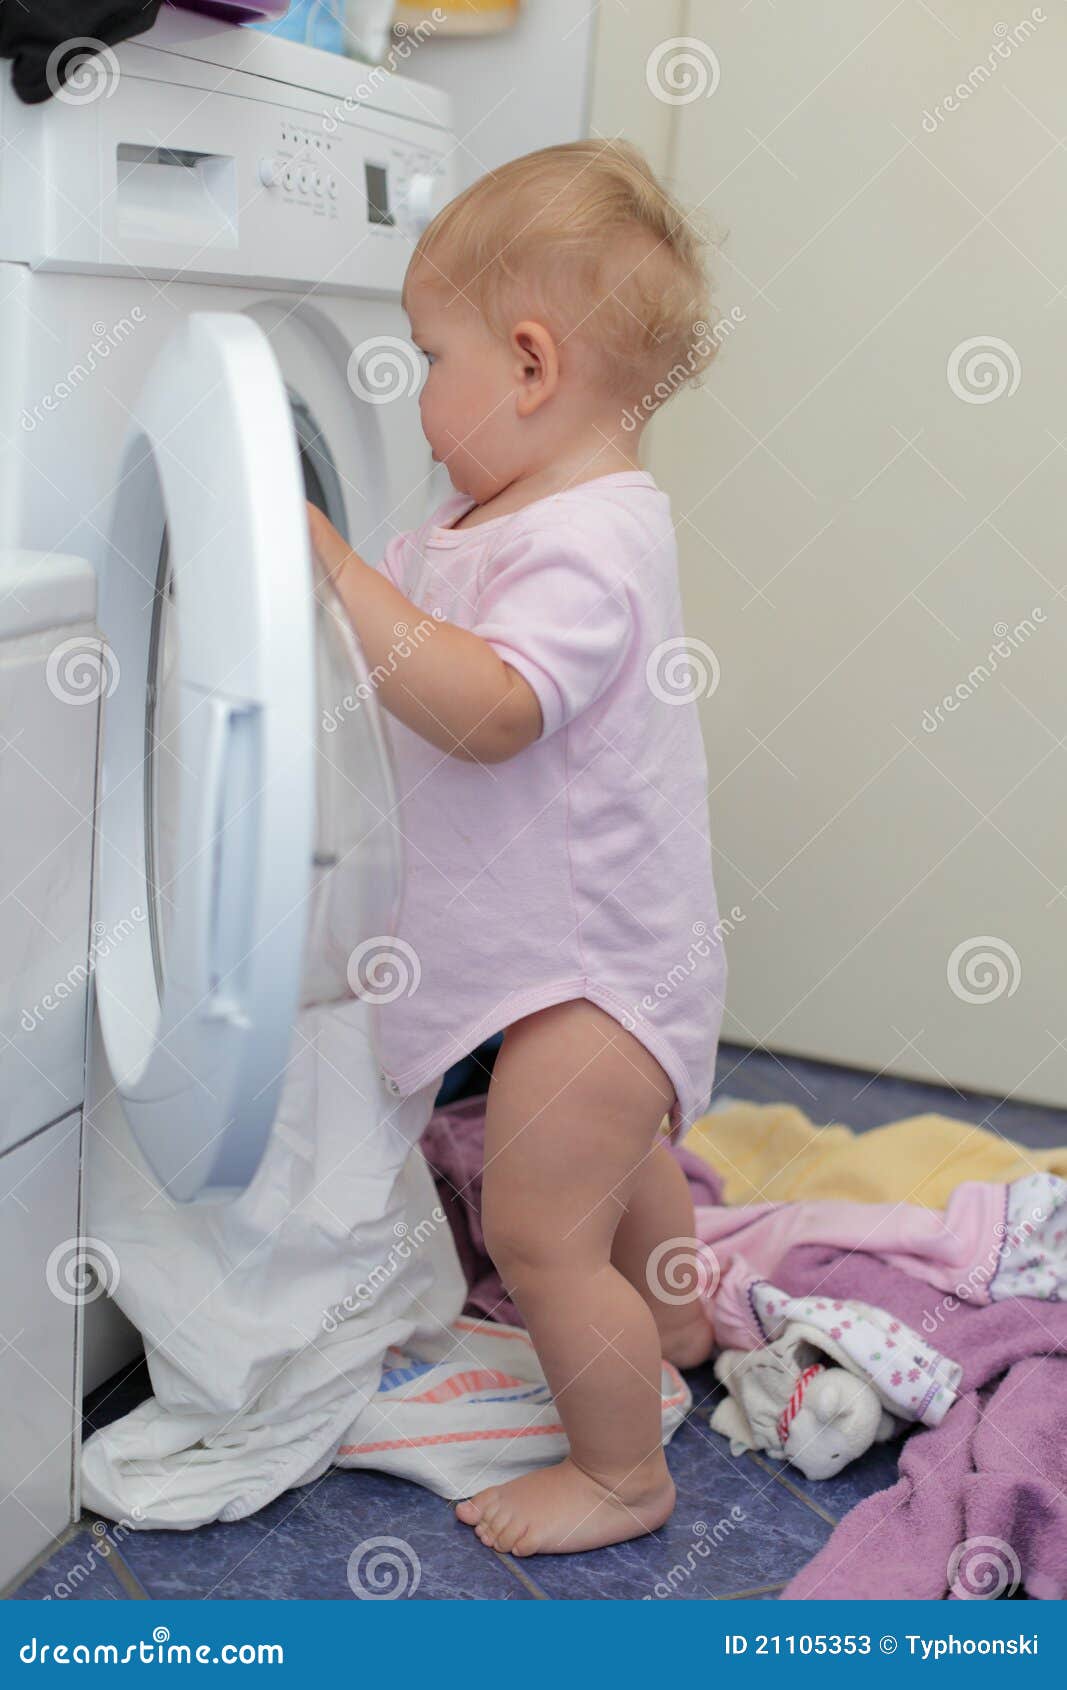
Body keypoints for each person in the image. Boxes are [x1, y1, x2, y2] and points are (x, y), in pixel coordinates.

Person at [308, 139, 726, 1556]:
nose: (417, 400)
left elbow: (492, 707)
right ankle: (669, 1315)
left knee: (543, 1226)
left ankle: (622, 1474)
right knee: (608, 1156)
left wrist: (334, 571)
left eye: (431, 358)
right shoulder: (503, 511)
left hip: (600, 961)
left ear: (531, 366)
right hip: (583, 950)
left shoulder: (591, 544)